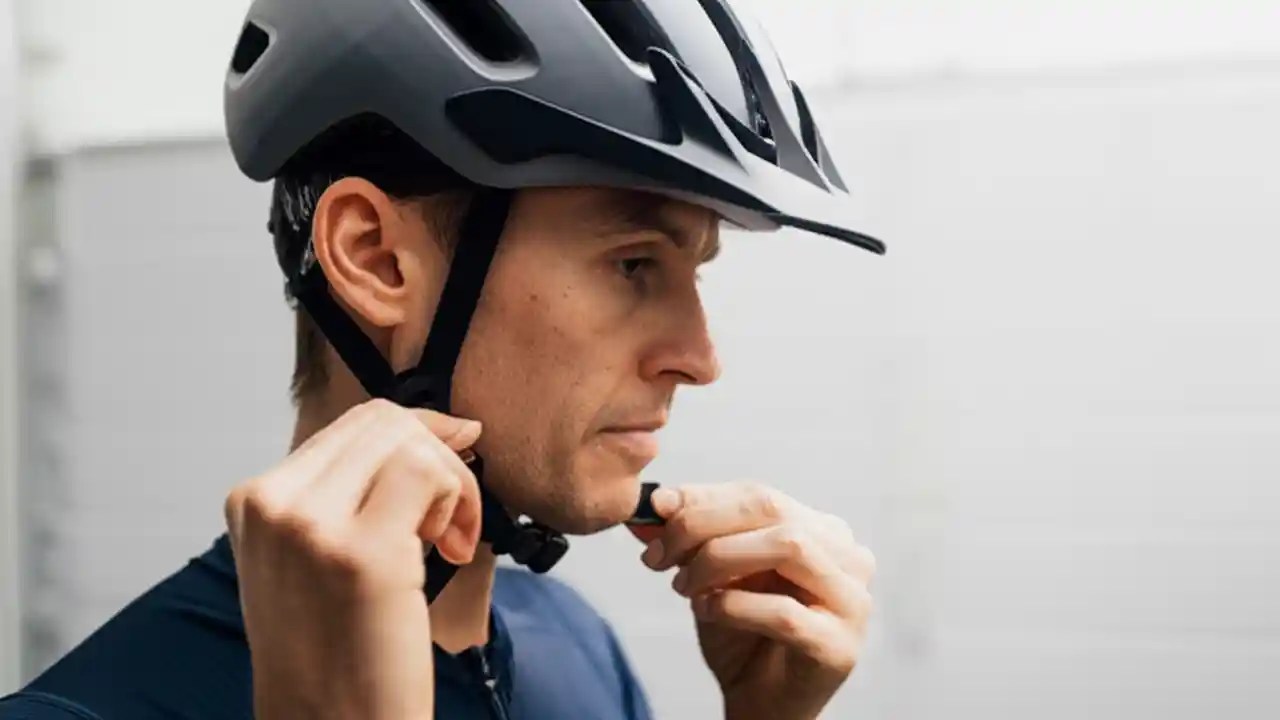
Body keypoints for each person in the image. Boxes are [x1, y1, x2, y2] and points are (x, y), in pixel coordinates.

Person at [1, 0, 883, 717]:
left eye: (694, 272)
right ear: (376, 258)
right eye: (633, 263)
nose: (698, 359)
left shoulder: (575, 647)